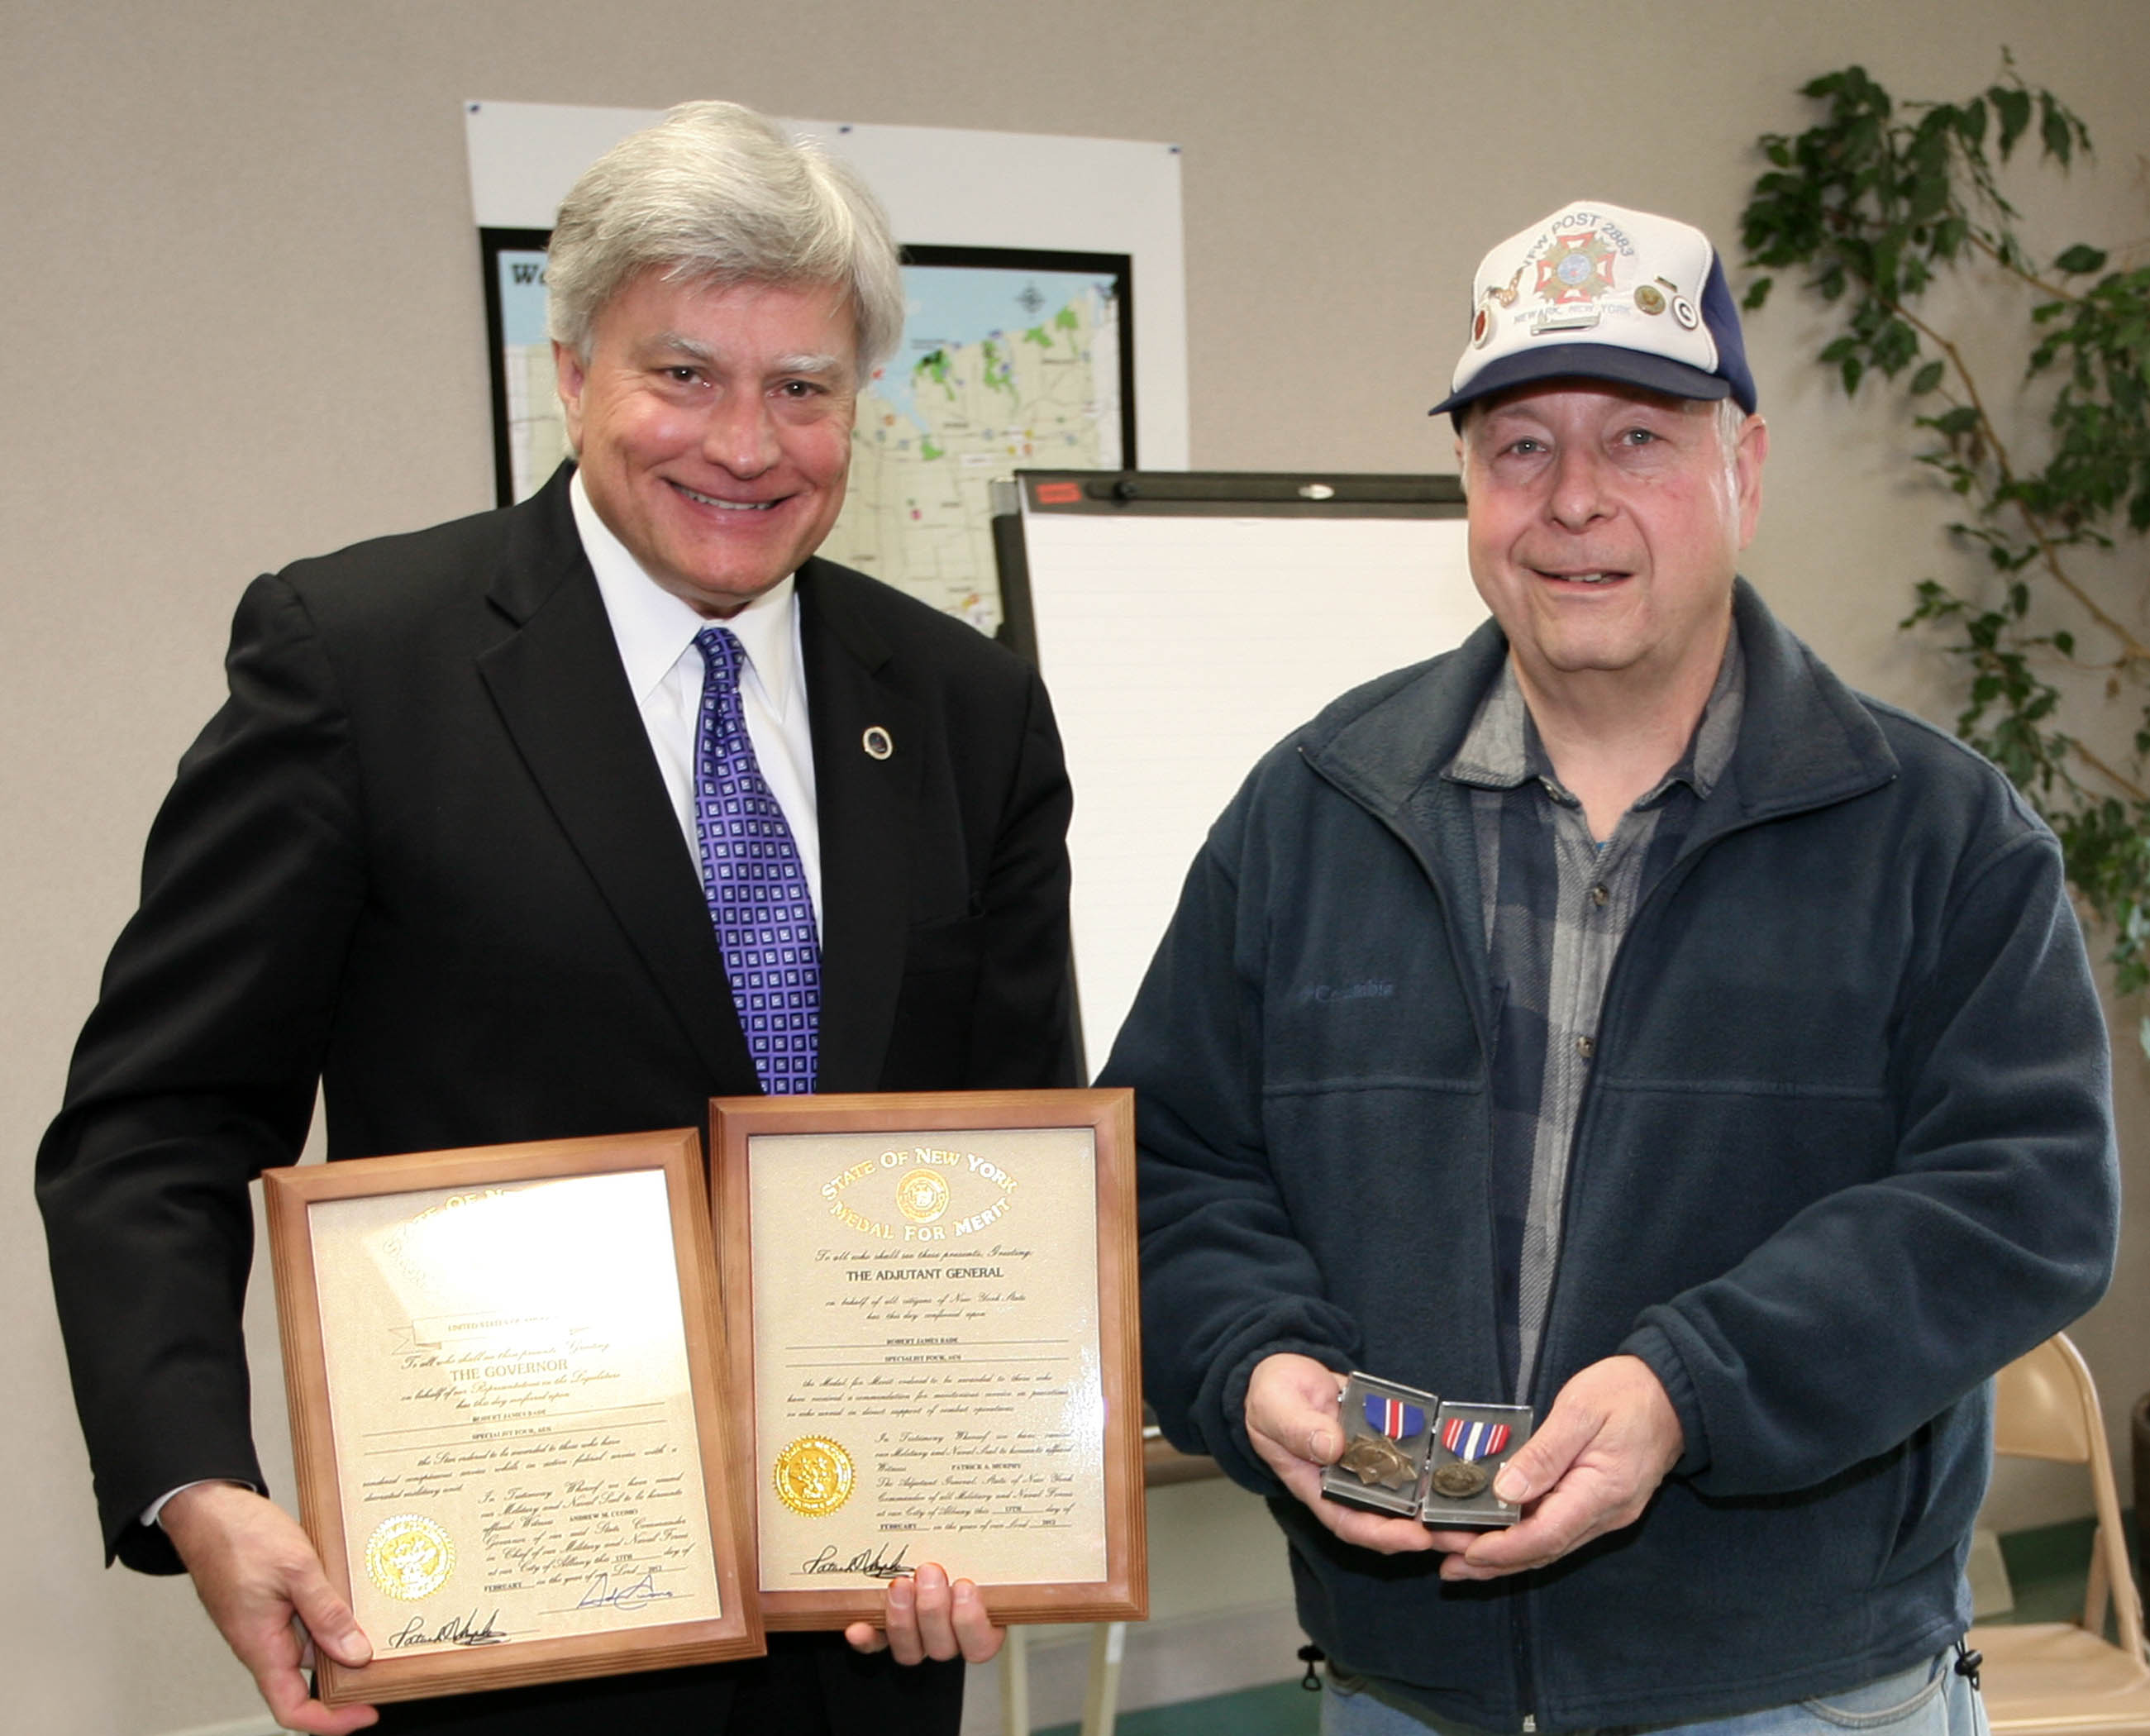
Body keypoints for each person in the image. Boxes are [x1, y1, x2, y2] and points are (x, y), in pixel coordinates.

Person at [36, 100, 1065, 1736]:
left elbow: (1011, 1150)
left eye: (801, 389)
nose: (747, 444)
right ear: (572, 369)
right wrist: (195, 1482)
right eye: (685, 374)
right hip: (501, 1646)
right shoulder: (359, 661)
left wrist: (1006, 1491)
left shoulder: (965, 708)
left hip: (868, 1641)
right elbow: (156, 1122)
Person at [1103, 199, 2119, 1736]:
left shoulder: (1940, 834)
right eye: (1519, 446)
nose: (1572, 499)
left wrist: (1687, 1390)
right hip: (1401, 1689)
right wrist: (1245, 1363)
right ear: (1466, 485)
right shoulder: (1312, 812)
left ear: (1743, 472)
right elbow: (1163, 1170)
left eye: (1637, 439)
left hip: (1800, 1692)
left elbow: (2022, 1201)